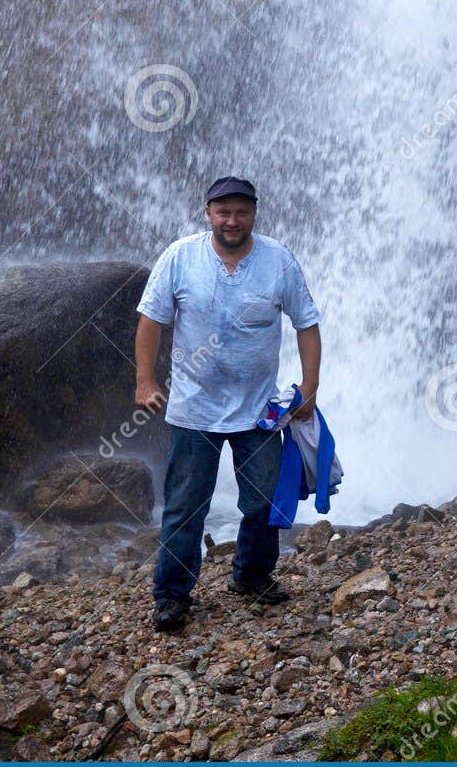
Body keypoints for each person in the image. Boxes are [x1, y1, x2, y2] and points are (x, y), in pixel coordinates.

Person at [134, 176, 323, 632]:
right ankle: (172, 594)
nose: (232, 220)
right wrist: (144, 379)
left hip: (259, 411)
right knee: (185, 506)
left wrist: (310, 386)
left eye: (241, 212)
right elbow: (150, 320)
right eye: (223, 212)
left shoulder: (278, 260)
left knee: (263, 502)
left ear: (254, 213)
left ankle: (252, 576)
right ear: (208, 213)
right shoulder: (180, 257)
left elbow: (307, 324)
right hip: (192, 409)